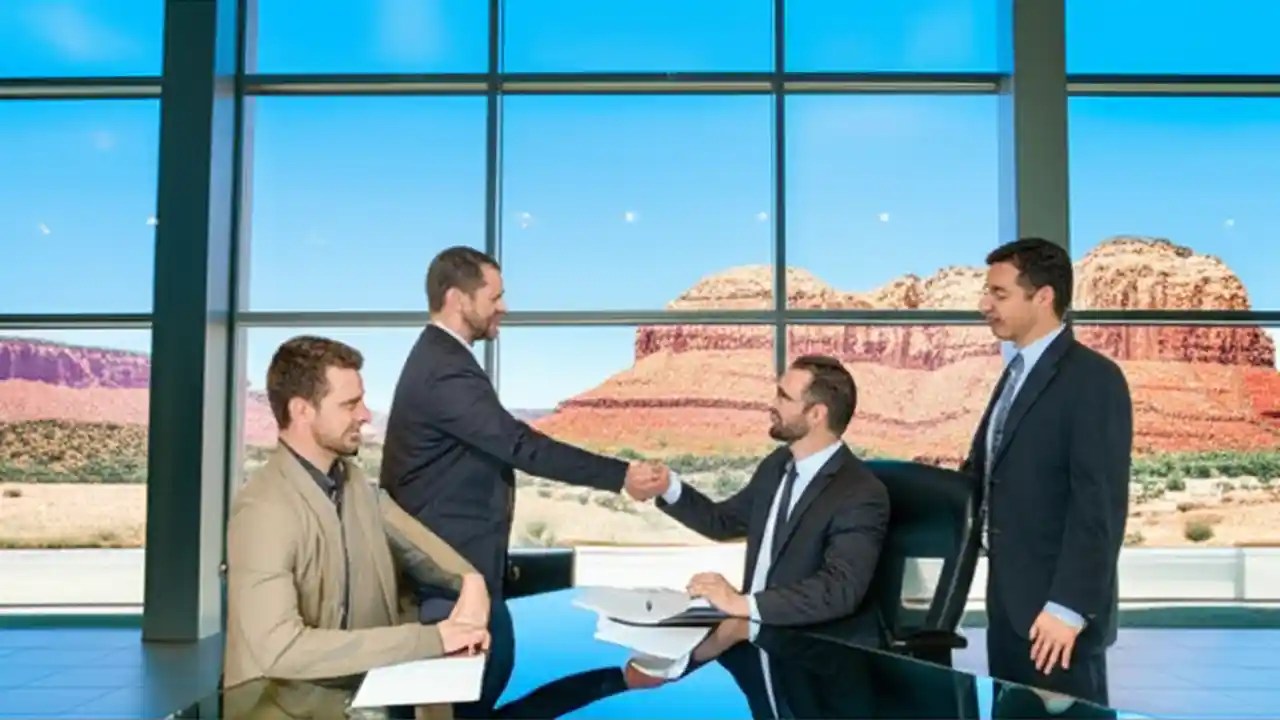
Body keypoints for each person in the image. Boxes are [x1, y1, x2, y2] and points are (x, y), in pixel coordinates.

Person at [379, 246, 669, 716]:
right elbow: (520, 446)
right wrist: (621, 476)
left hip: (462, 580)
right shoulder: (444, 368)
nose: (504, 307)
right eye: (495, 296)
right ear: (457, 299)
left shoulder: (442, 361)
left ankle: (614, 682)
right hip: (448, 589)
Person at [222, 336, 492, 719]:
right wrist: (432, 638)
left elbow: (427, 552)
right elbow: (280, 650)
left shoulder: (354, 485)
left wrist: (471, 581)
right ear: (302, 411)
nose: (365, 414)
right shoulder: (262, 510)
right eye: (350, 404)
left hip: (361, 699)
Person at [963, 237, 1132, 706]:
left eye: (998, 294)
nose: (985, 305)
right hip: (1010, 614)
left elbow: (1099, 506)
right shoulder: (1016, 374)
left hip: (1057, 624)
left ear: (1043, 297)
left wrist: (1068, 608)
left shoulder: (1093, 379)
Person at [630, 354, 889, 641]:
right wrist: (667, 487)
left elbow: (839, 590)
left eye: (783, 397)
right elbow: (724, 522)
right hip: (753, 635)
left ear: (816, 414)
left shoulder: (860, 492)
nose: (772, 405)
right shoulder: (777, 465)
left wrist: (742, 604)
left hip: (808, 653)